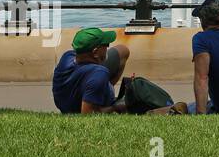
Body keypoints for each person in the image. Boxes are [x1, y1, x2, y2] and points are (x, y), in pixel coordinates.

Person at [52, 27, 186, 114]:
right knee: (139, 102)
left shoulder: (68, 56)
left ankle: (103, 89)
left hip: (74, 94)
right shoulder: (98, 73)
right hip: (80, 104)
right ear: (95, 52)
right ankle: (171, 110)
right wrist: (115, 108)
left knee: (122, 51)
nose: (108, 47)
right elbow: (87, 115)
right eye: (106, 45)